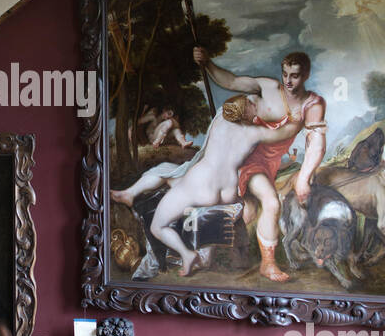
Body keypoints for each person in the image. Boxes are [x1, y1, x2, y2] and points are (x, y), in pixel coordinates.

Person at [114, 94, 295, 276]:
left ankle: (187, 255)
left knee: (157, 227)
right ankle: (129, 194)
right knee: (168, 172)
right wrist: (297, 116)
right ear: (248, 111)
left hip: (203, 183)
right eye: (254, 106)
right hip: (228, 190)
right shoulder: (256, 133)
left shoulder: (220, 117)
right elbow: (286, 132)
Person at [192, 47, 327, 281]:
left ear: (305, 75)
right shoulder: (270, 87)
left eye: (294, 75)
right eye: (285, 74)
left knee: (249, 210)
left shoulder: (311, 104)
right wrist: (208, 63)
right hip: (247, 156)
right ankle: (268, 264)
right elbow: (232, 81)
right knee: (271, 202)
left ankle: (203, 247)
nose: (288, 80)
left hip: (269, 163)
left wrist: (304, 177)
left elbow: (315, 141)